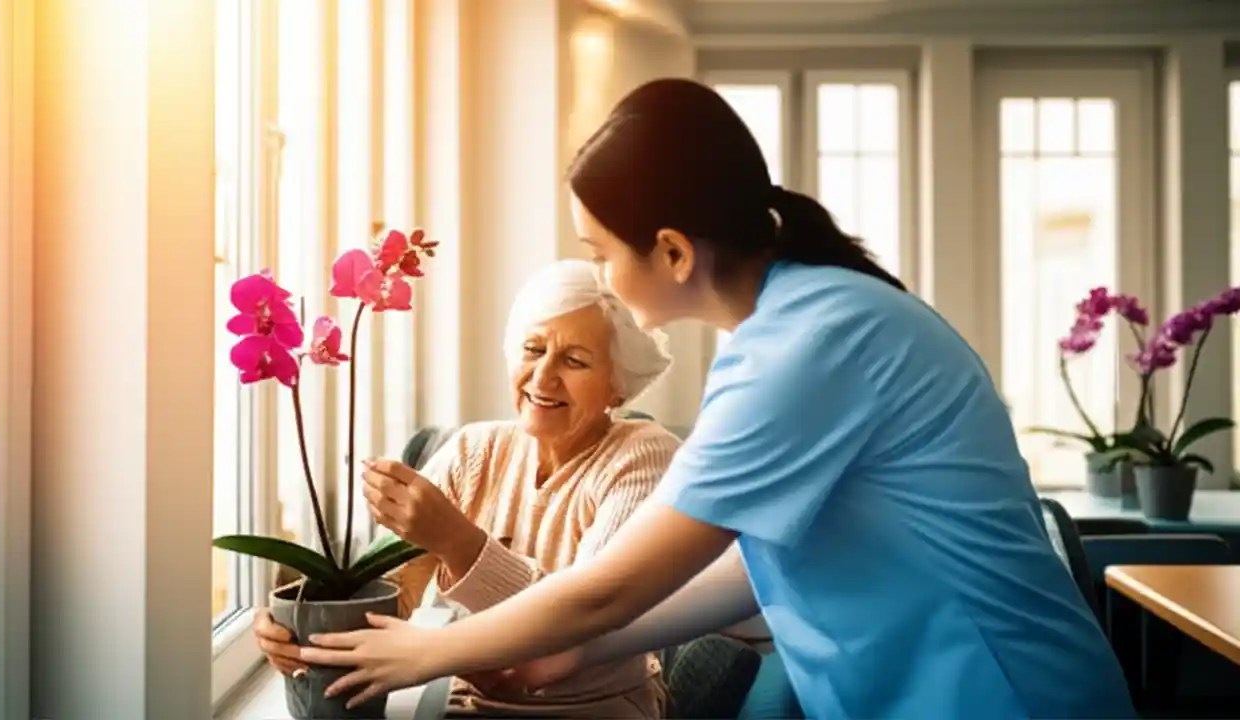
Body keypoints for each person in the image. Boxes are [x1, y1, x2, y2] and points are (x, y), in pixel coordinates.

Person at [299, 78, 1137, 719]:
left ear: (670, 251)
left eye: (600, 252)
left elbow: (607, 587)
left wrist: (422, 653)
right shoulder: (804, 320)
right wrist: (575, 649)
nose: (598, 275)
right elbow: (747, 566)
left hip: (1000, 693)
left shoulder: (802, 348)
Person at [256, 259, 681, 718]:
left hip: (594, 708)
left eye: (574, 361)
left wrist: (457, 543)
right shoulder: (474, 450)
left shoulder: (645, 456)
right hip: (466, 706)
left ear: (619, 385)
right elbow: (390, 599)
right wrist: (297, 626)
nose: (542, 377)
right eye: (533, 350)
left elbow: (586, 621)